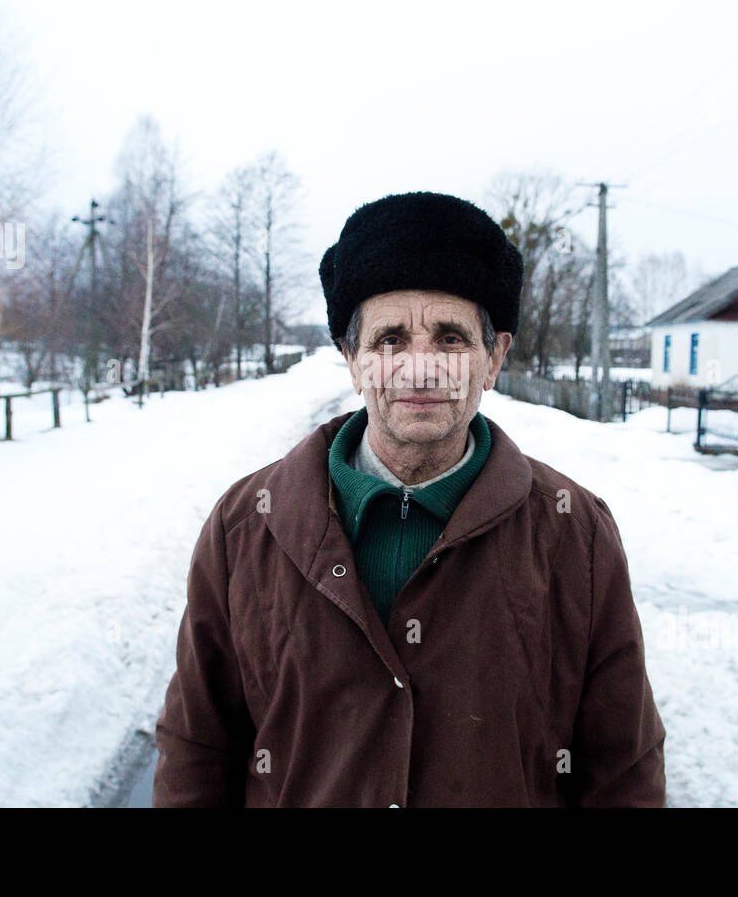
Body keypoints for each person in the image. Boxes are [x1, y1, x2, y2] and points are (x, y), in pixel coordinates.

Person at [152, 191, 666, 807]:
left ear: (493, 358)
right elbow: (197, 752)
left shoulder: (574, 534)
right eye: (389, 340)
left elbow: (622, 770)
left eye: (450, 339)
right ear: (352, 359)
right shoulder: (247, 526)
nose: (419, 369)